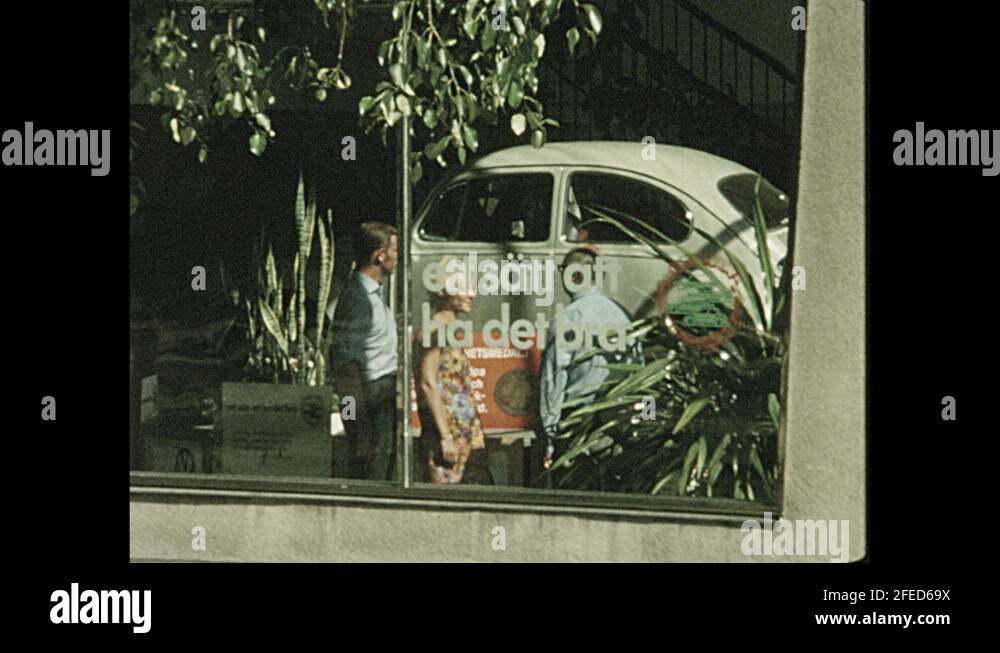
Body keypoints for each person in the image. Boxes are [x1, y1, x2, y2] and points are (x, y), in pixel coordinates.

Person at [538, 246, 639, 473]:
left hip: (578, 431)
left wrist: (550, 440)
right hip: (619, 430)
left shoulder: (569, 317)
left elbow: (553, 383)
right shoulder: (624, 316)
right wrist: (645, 423)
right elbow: (643, 374)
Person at [329, 221, 399, 480]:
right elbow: (346, 367)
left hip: (381, 395)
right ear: (379, 256)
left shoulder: (374, 296)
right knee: (373, 473)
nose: (398, 257)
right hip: (371, 399)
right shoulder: (359, 300)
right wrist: (357, 425)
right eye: (394, 250)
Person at [414, 262, 493, 485]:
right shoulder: (434, 330)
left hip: (463, 433)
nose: (471, 294)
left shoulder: (446, 330)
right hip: (447, 436)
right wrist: (445, 437)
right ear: (444, 290)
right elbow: (428, 383)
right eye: (462, 287)